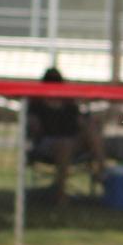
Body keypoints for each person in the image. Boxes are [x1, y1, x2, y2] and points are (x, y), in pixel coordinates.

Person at [27, 67, 106, 201]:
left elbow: (80, 122)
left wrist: (90, 121)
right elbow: (34, 129)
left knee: (90, 128)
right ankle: (60, 194)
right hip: (47, 144)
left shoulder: (68, 102)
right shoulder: (36, 104)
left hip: (71, 141)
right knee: (64, 145)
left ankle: (103, 171)